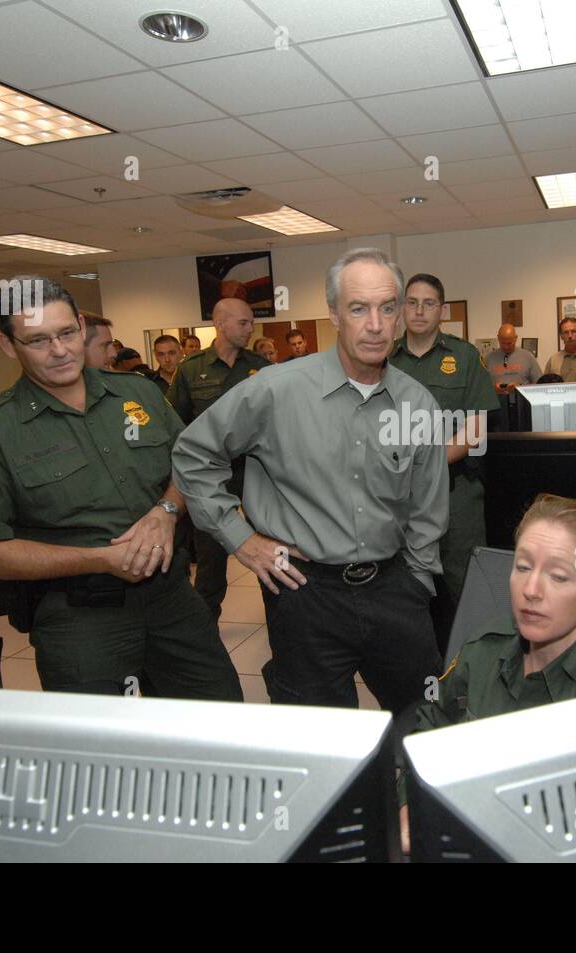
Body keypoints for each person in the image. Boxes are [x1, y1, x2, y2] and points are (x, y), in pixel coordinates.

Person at [0, 275, 241, 700]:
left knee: (221, 719)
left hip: (171, 597)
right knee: (103, 750)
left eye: (66, 333)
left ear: (82, 327)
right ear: (9, 346)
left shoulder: (140, 394)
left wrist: (166, 512)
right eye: (38, 340)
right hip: (79, 615)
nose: (59, 350)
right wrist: (100, 559)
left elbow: (192, 467)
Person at [172, 247, 448, 711]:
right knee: (326, 744)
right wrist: (242, 539)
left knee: (425, 722)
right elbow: (193, 454)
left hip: (395, 590)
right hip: (305, 593)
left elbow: (428, 504)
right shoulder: (275, 390)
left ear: (400, 314)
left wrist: (416, 580)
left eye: (387, 308)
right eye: (359, 308)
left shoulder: (416, 404)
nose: (375, 324)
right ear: (335, 314)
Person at [400, 494, 576, 851]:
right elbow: (430, 728)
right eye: (523, 567)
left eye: (558, 576)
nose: (531, 590)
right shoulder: (482, 653)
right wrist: (408, 802)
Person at [389, 273, 497, 617]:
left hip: (455, 492)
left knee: (465, 584)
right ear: (402, 307)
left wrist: (430, 465)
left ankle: (470, 664)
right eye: (412, 302)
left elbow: (475, 427)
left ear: (443, 310)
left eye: (429, 303)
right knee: (403, 586)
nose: (419, 311)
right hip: (396, 493)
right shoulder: (383, 359)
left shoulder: (465, 357)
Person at [167, 297, 269, 622]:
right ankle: (205, 628)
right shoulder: (191, 368)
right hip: (209, 475)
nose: (251, 329)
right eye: (243, 323)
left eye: (252, 322)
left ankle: (281, 622)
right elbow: (175, 425)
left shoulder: (261, 367)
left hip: (256, 472)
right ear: (220, 324)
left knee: (268, 545)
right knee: (211, 556)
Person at [485, 323, 542, 429]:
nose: (506, 346)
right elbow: (480, 387)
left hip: (522, 410)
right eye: (503, 343)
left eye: (510, 343)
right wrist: (493, 389)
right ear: (498, 338)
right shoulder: (488, 358)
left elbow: (539, 385)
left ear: (516, 338)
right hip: (497, 412)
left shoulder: (527, 356)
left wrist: (520, 388)